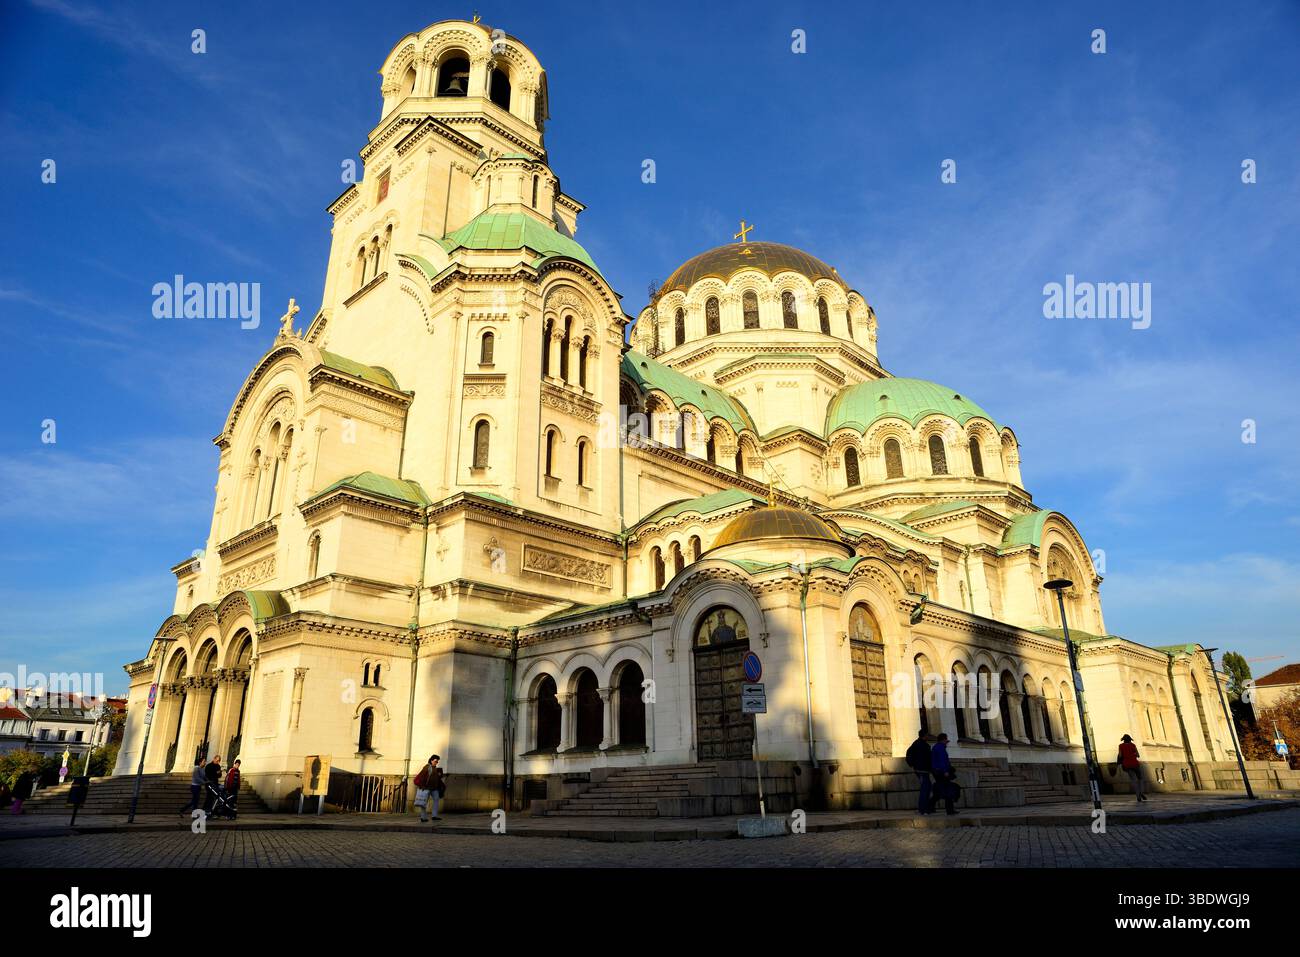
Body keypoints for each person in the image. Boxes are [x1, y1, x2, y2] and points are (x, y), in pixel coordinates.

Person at [905, 730, 933, 815]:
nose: (928, 737)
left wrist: (913, 765)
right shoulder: (923, 745)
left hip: (921, 769)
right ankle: (923, 809)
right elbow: (928, 757)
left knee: (926, 788)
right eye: (927, 735)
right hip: (922, 770)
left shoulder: (916, 744)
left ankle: (925, 808)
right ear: (924, 736)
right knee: (925, 789)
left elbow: (908, 754)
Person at [930, 732, 958, 815]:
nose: (947, 742)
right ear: (943, 740)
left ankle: (930, 806)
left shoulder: (936, 747)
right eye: (946, 740)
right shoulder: (940, 748)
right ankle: (950, 810)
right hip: (941, 772)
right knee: (947, 790)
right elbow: (942, 761)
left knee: (940, 790)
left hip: (937, 771)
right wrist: (945, 771)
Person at [414, 754, 447, 822]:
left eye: (437, 762)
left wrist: (440, 775)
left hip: (434, 788)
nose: (436, 763)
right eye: (435, 761)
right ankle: (423, 818)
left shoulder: (435, 768)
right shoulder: (427, 767)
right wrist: (422, 785)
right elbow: (421, 776)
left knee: (436, 800)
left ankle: (434, 816)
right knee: (423, 802)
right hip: (426, 788)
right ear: (431, 760)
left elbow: (436, 778)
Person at [1117, 734, 1145, 802]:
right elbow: (1138, 755)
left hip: (1127, 764)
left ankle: (1138, 795)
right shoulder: (1133, 745)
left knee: (1133, 780)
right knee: (1140, 778)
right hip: (1135, 764)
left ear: (1123, 740)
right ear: (1130, 739)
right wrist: (1133, 754)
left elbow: (1120, 755)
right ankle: (1141, 792)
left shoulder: (1121, 746)